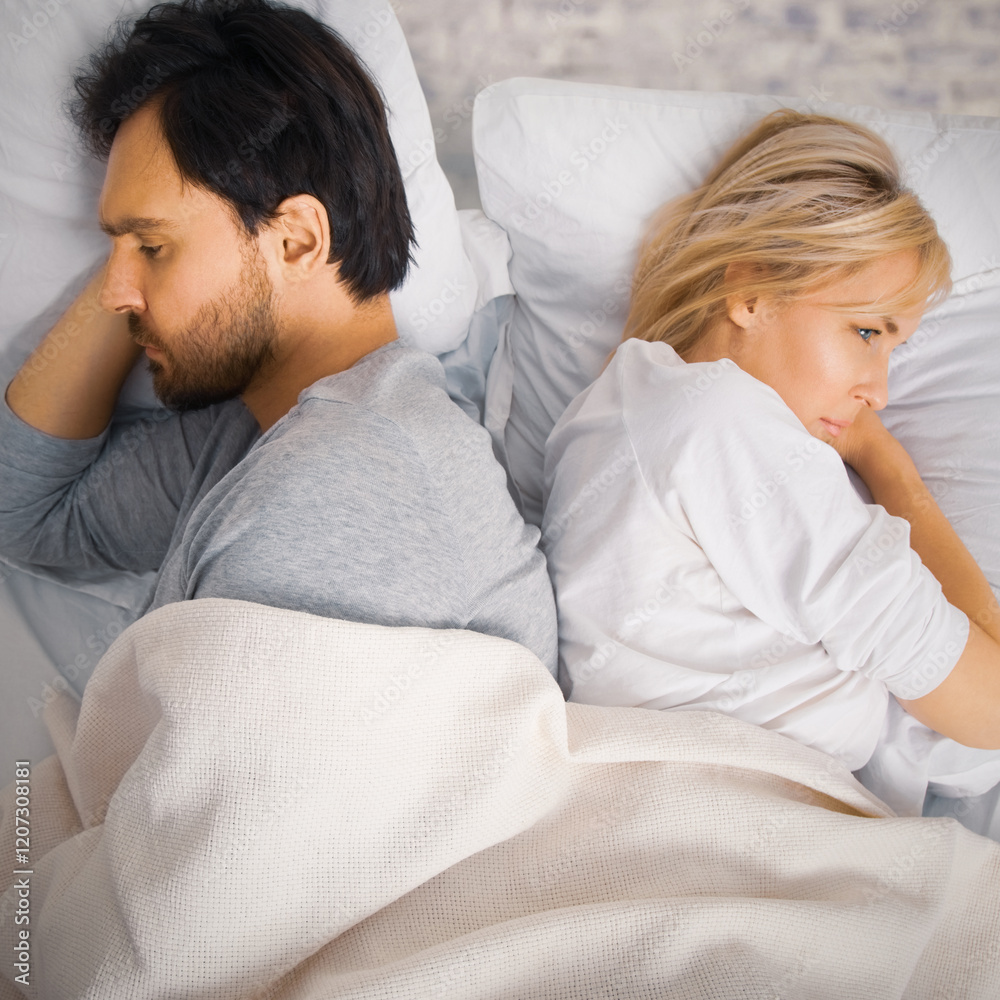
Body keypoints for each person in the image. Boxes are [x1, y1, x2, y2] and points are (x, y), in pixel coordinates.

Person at [0, 0, 557, 676]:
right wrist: (139, 244)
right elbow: (33, 519)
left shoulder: (340, 485)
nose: (114, 295)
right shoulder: (256, 431)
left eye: (152, 246)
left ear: (295, 241)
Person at [541, 109, 1000, 818]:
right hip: (755, 830)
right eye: (866, 332)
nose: (878, 391)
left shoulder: (613, 404)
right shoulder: (724, 422)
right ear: (751, 291)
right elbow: (989, 706)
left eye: (893, 348)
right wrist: (887, 464)